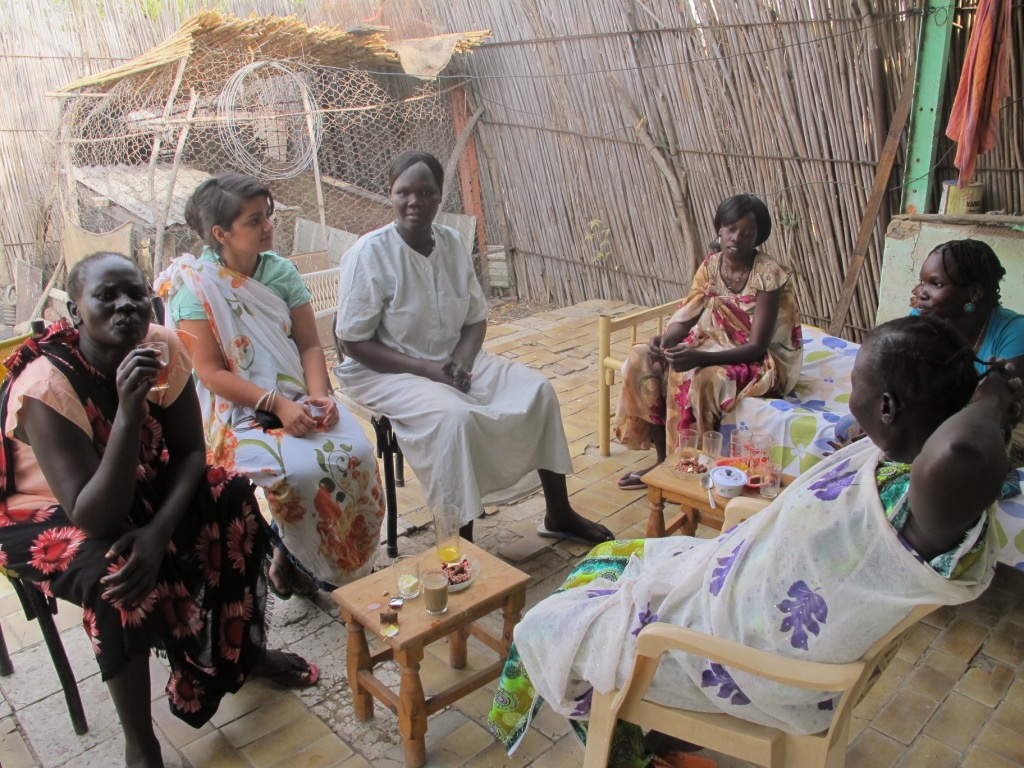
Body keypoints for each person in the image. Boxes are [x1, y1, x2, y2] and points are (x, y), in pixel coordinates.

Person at [490, 315, 1021, 766]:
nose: (848, 394)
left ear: (886, 407)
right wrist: (990, 390)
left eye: (856, 380)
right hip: (739, 603)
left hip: (747, 661)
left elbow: (965, 454)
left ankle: (624, 743)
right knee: (608, 558)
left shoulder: (927, 497)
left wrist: (994, 394)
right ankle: (660, 735)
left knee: (544, 625)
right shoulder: (902, 461)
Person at [0, 253, 318, 768]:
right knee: (115, 573)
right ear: (77, 312)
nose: (126, 305)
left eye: (136, 294)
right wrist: (128, 411)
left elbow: (191, 451)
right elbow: (93, 515)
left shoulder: (160, 346)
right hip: (51, 509)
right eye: (107, 296)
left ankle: (242, 651)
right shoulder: (46, 389)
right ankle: (141, 740)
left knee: (231, 494)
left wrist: (157, 531)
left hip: (136, 476)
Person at [335, 150, 611, 543]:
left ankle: (559, 513)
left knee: (538, 391)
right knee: (455, 419)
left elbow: (475, 317)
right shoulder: (369, 253)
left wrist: (462, 362)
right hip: (385, 370)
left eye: (426, 192)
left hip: (453, 357)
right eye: (403, 192)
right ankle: (459, 542)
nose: (415, 201)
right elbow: (353, 340)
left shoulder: (451, 244)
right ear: (391, 195)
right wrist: (429, 371)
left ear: (439, 196)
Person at [155, 174, 384, 595]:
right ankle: (296, 557)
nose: (268, 227)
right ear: (221, 233)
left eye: (269, 216)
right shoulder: (196, 287)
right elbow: (210, 373)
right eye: (255, 220)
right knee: (297, 472)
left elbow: (311, 345)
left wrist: (318, 396)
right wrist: (278, 406)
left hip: (297, 396)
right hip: (237, 411)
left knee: (356, 454)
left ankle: (313, 561)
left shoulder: (280, 272)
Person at [615, 194, 802, 490]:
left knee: (701, 378)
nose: (737, 238)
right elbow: (688, 315)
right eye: (731, 229)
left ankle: (691, 465)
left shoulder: (769, 275)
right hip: (714, 342)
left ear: (758, 237)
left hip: (759, 359)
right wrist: (664, 341)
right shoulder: (711, 265)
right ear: (719, 228)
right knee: (642, 357)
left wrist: (698, 358)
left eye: (747, 233)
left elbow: (757, 347)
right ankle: (663, 463)